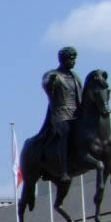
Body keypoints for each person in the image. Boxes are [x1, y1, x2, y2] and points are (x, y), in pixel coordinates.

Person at [35, 46, 83, 183]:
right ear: (62, 59)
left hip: (77, 113)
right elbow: (45, 84)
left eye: (75, 58)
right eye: (71, 58)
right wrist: (51, 81)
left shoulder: (75, 77)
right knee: (65, 131)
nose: (73, 61)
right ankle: (63, 170)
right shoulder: (52, 74)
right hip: (60, 114)